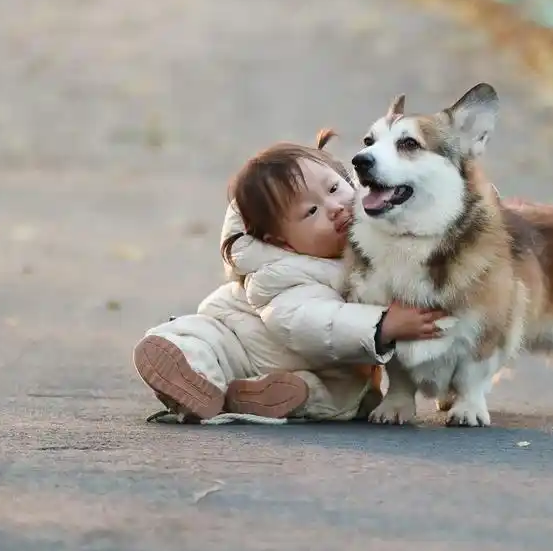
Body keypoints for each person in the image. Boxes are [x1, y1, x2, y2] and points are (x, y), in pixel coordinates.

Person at [133, 137, 446, 422]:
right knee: (203, 340)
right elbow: (315, 322)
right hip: (241, 342)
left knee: (338, 395)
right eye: (311, 212)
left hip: (323, 367)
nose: (334, 208)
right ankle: (190, 376)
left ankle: (263, 396)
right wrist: (382, 326)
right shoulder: (280, 273)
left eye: (334, 189)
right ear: (281, 241)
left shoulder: (371, 241)